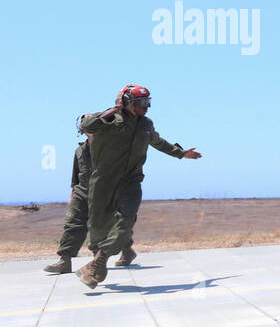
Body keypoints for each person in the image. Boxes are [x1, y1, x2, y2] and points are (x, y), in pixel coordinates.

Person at [74, 85, 201, 288]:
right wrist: (112, 111)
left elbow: (159, 142)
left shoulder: (146, 124)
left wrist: (181, 153)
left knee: (125, 223)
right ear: (126, 102)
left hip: (131, 181)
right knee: (98, 228)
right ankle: (103, 255)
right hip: (103, 181)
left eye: (148, 102)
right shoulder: (108, 120)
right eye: (141, 103)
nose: (146, 107)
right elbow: (85, 126)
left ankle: (98, 262)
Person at [42, 136, 94, 274]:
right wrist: (72, 194)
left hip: (102, 191)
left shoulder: (107, 146)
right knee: (72, 224)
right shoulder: (79, 151)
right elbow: (75, 175)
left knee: (107, 226)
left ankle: (125, 250)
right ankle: (65, 261)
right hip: (81, 192)